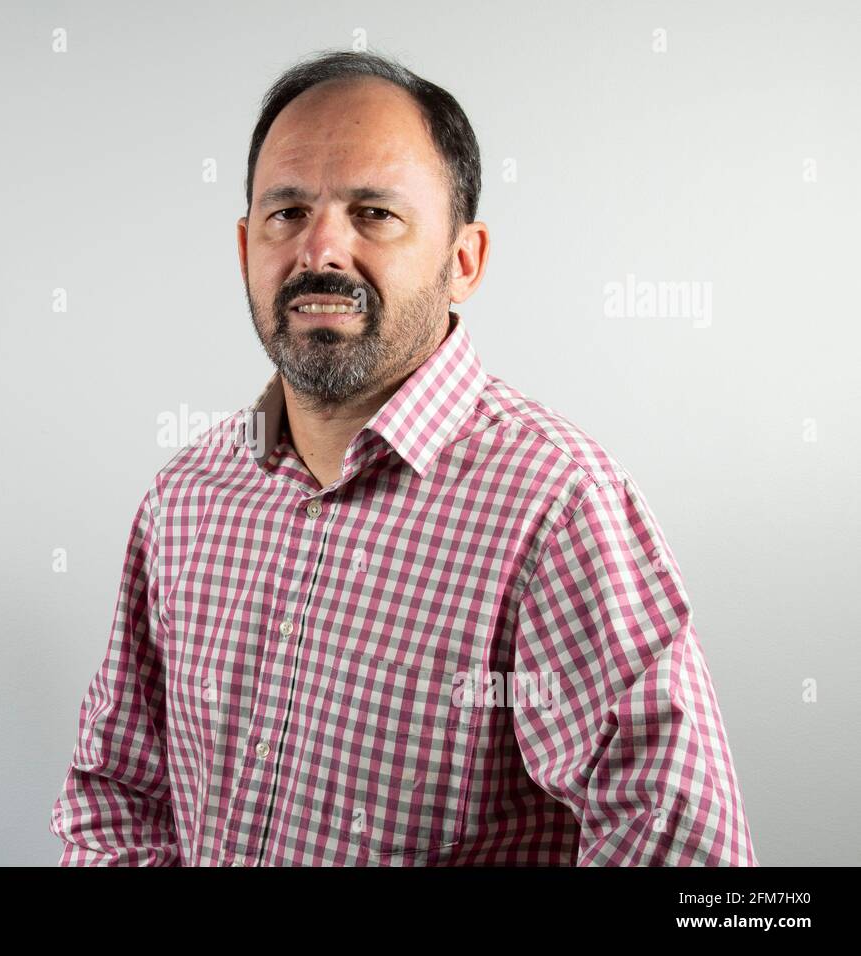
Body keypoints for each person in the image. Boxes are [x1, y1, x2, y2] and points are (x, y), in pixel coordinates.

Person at [49, 49, 758, 866]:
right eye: (286, 214)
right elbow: (119, 795)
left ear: (465, 261)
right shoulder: (185, 499)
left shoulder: (559, 506)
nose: (320, 250)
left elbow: (683, 857)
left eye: (374, 213)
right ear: (245, 245)